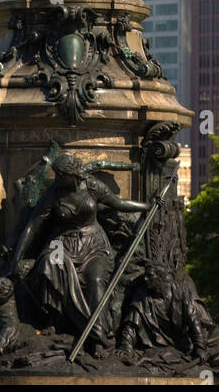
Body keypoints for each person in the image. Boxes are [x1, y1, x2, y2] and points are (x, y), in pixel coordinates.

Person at [10, 152, 147, 356]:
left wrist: (148, 206)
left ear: (72, 175)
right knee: (50, 263)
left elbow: (118, 204)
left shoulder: (92, 186)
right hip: (62, 243)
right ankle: (55, 321)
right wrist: (17, 257)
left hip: (93, 244)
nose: (56, 179)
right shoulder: (53, 194)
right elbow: (33, 225)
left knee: (96, 279)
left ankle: (98, 337)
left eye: (60, 175)